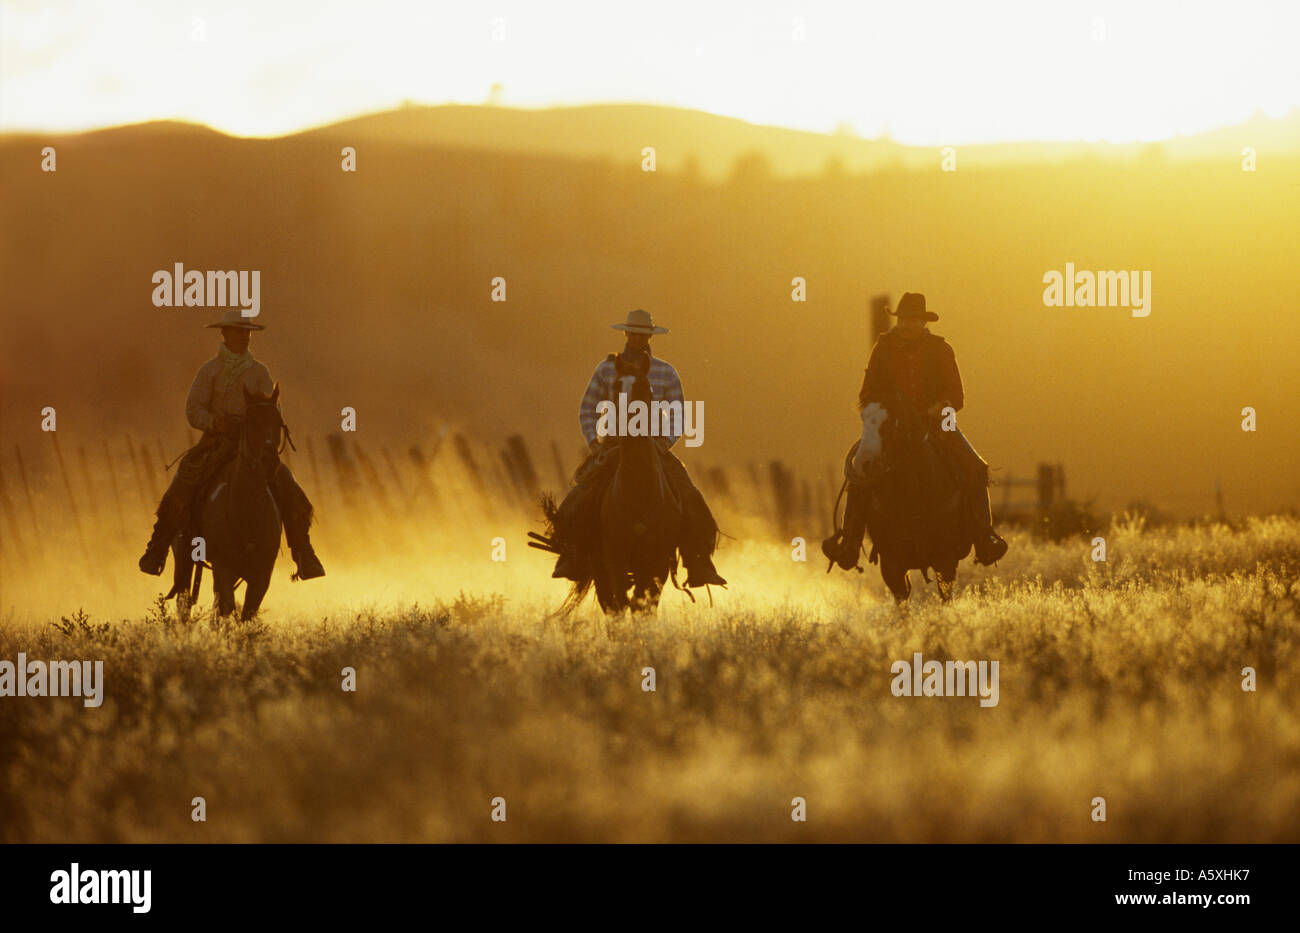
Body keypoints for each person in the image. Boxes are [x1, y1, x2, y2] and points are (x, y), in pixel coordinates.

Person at [822, 292, 1008, 569]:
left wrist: (933, 411)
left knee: (975, 468)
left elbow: (957, 397)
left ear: (923, 322)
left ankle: (984, 538)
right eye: (903, 319)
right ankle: (849, 542)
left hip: (937, 424)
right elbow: (867, 392)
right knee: (860, 470)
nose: (906, 325)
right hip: (889, 426)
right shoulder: (883, 348)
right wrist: (883, 414)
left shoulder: (941, 349)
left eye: (912, 320)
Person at [137, 308, 325, 580]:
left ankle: (304, 554)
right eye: (238, 331)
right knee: (181, 485)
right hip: (216, 442)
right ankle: (158, 548)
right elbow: (193, 409)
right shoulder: (210, 371)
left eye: (247, 331)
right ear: (225, 334)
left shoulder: (260, 372)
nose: (244, 336)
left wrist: (266, 427)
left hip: (255, 447)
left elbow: (274, 410)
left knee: (293, 494)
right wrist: (216, 423)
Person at [550, 308, 725, 587]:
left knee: (691, 498)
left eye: (643, 334)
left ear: (649, 336)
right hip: (614, 444)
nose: (638, 338)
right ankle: (573, 554)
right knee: (579, 497)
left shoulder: (666, 372)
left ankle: (698, 561)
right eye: (634, 333)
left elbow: (679, 414)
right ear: (626, 333)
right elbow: (588, 408)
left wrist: (664, 443)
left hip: (654, 445)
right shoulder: (606, 369)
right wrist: (594, 442)